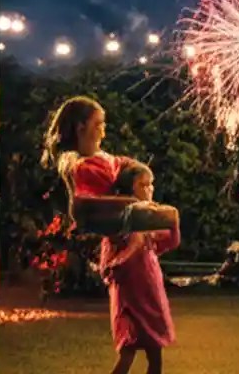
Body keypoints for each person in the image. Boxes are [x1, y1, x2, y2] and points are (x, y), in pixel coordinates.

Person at [40, 96, 177, 235]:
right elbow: (84, 205)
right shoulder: (77, 165)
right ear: (81, 128)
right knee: (167, 219)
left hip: (122, 215)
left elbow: (123, 163)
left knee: (170, 217)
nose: (103, 134)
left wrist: (139, 176)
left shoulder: (102, 157)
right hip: (103, 223)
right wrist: (131, 202)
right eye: (97, 125)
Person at [99, 160, 180, 374]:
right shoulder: (118, 224)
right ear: (129, 190)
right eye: (143, 185)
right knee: (127, 354)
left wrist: (174, 223)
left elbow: (169, 243)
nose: (149, 189)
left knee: (156, 356)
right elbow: (107, 271)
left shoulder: (151, 219)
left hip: (151, 295)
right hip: (128, 302)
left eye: (151, 184)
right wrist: (133, 247)